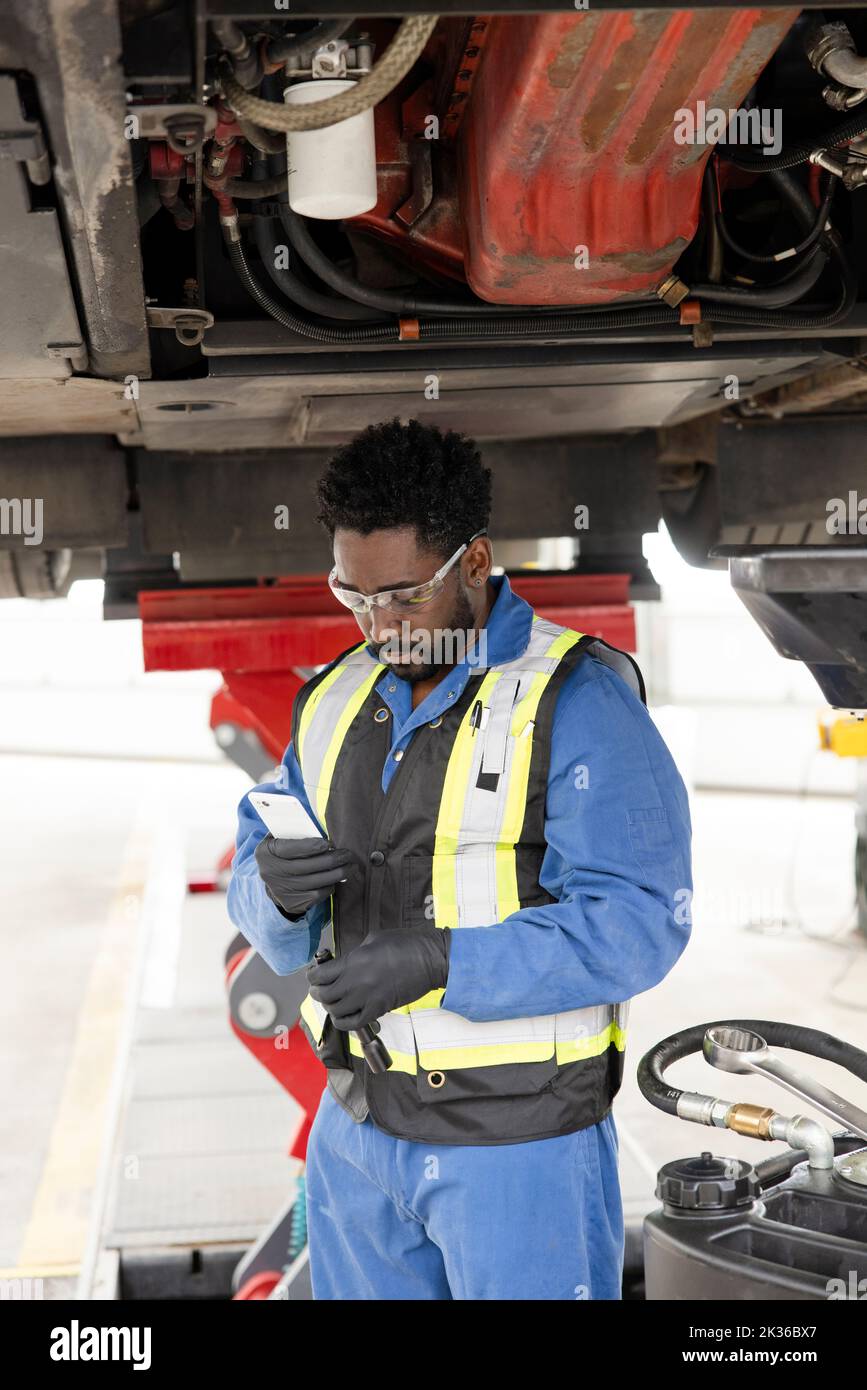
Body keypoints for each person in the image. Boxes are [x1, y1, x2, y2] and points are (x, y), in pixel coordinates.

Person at [227, 417, 693, 1300]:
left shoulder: (576, 697)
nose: (377, 624)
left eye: (402, 596)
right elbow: (259, 869)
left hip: (515, 1151)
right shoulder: (332, 698)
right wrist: (273, 899)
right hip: (357, 1135)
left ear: (473, 564)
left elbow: (639, 925)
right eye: (352, 596)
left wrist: (442, 961)